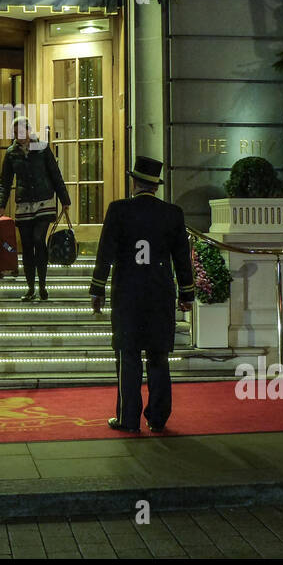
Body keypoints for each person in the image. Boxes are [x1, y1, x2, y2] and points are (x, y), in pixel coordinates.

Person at [89, 156, 194, 433]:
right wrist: (187, 293)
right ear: (155, 186)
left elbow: (105, 254)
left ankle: (128, 417)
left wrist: (97, 288)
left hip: (128, 292)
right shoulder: (173, 214)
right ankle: (158, 418)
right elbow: (182, 259)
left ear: (134, 182)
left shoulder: (118, 210)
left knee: (128, 355)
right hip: (160, 292)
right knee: (158, 356)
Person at [0, 116, 70, 302]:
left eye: (22, 131)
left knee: (38, 239)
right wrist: (1, 204)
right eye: (15, 133)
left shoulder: (42, 148)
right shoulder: (12, 152)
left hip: (44, 201)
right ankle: (30, 287)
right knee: (27, 245)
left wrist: (64, 199)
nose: (19, 136)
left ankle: (42, 285)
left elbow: (55, 174)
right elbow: (5, 180)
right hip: (24, 203)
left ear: (29, 130)